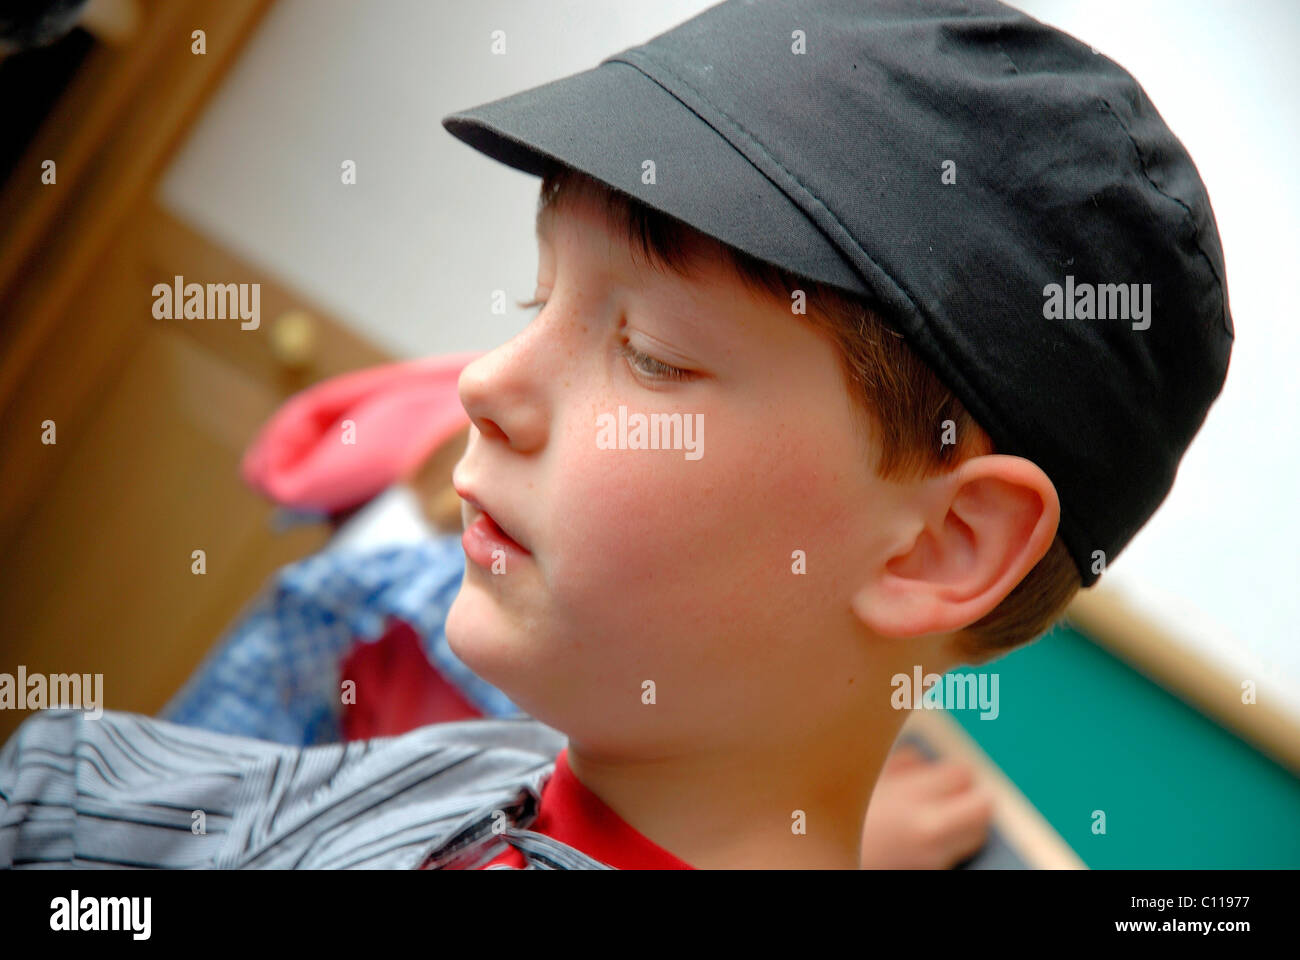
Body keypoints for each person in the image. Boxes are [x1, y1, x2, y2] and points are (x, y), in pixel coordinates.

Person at [0, 0, 1231, 870]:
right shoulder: (473, 775)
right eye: (539, 300)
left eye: (648, 352)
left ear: (939, 543)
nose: (484, 383)